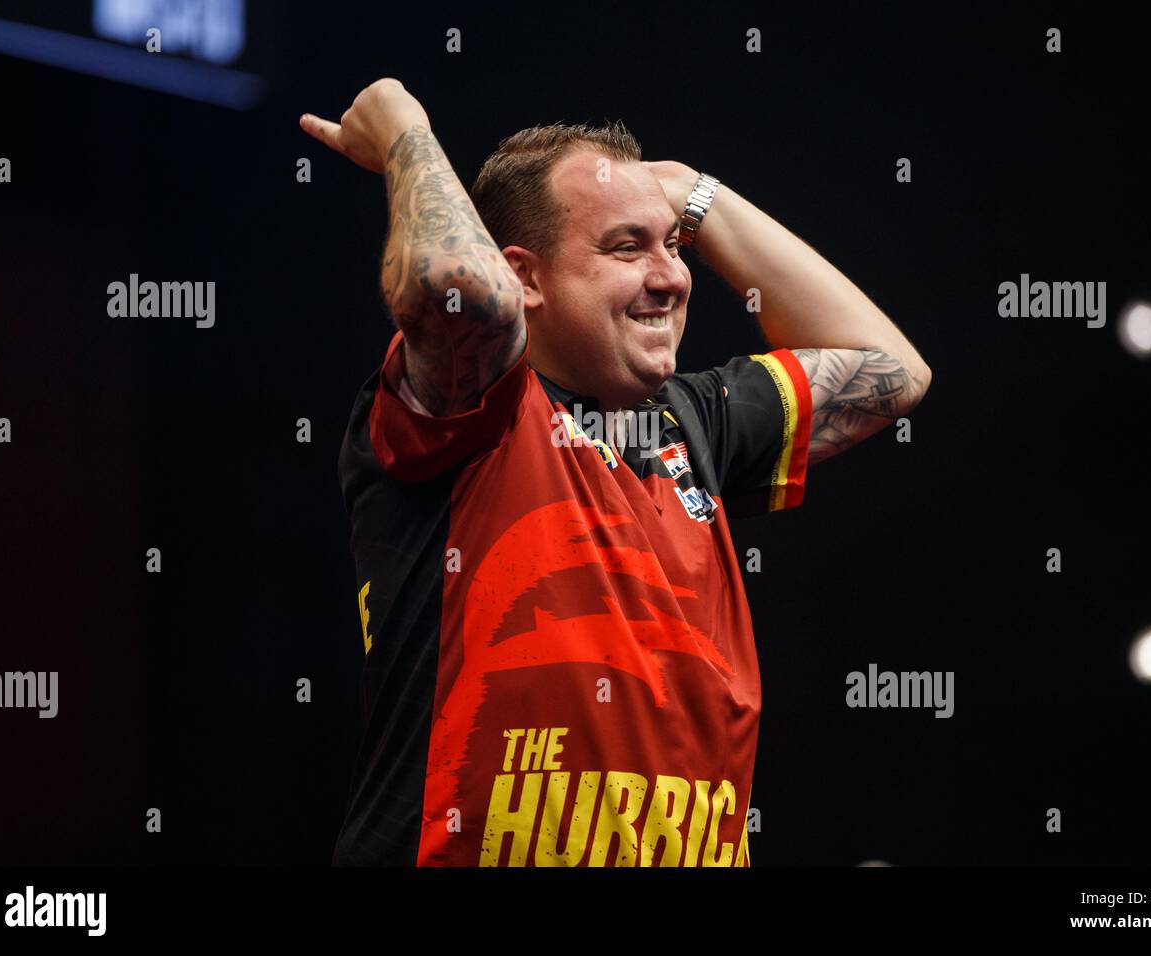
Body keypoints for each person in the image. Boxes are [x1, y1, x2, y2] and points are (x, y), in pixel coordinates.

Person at [300, 79, 932, 866]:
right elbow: (462, 291)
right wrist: (404, 131)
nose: (671, 276)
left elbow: (893, 371)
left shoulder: (695, 420)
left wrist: (703, 200)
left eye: (674, 246)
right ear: (526, 278)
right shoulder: (473, 407)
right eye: (627, 248)